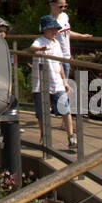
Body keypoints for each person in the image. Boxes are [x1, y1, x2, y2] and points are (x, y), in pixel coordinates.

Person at [33, 15, 76, 148]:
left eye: (55, 29)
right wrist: (40, 50)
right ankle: (44, 136)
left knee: (65, 110)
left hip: (56, 83)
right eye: (51, 29)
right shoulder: (39, 41)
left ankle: (71, 137)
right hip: (41, 83)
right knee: (41, 113)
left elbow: (60, 65)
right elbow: (32, 49)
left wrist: (65, 82)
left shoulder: (56, 44)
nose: (54, 32)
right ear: (45, 30)